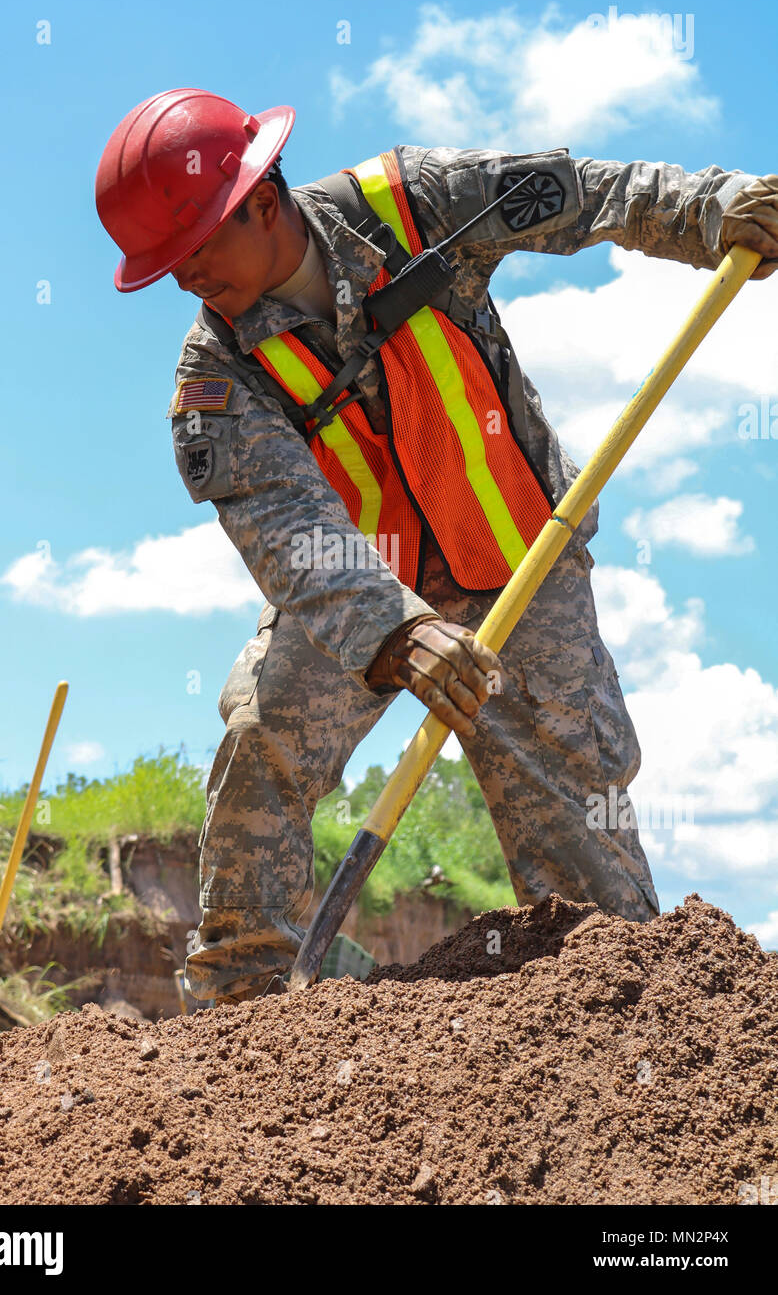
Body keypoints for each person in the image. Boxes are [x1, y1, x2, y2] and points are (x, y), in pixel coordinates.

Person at [95, 87, 778, 1005]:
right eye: (164, 263)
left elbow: (580, 191)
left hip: (516, 564)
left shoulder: (412, 203)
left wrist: (709, 211)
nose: (184, 278)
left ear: (263, 199)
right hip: (361, 594)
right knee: (264, 733)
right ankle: (251, 1008)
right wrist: (395, 631)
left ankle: (625, 1008)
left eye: (194, 248)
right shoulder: (214, 380)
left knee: (581, 823)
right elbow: (288, 533)